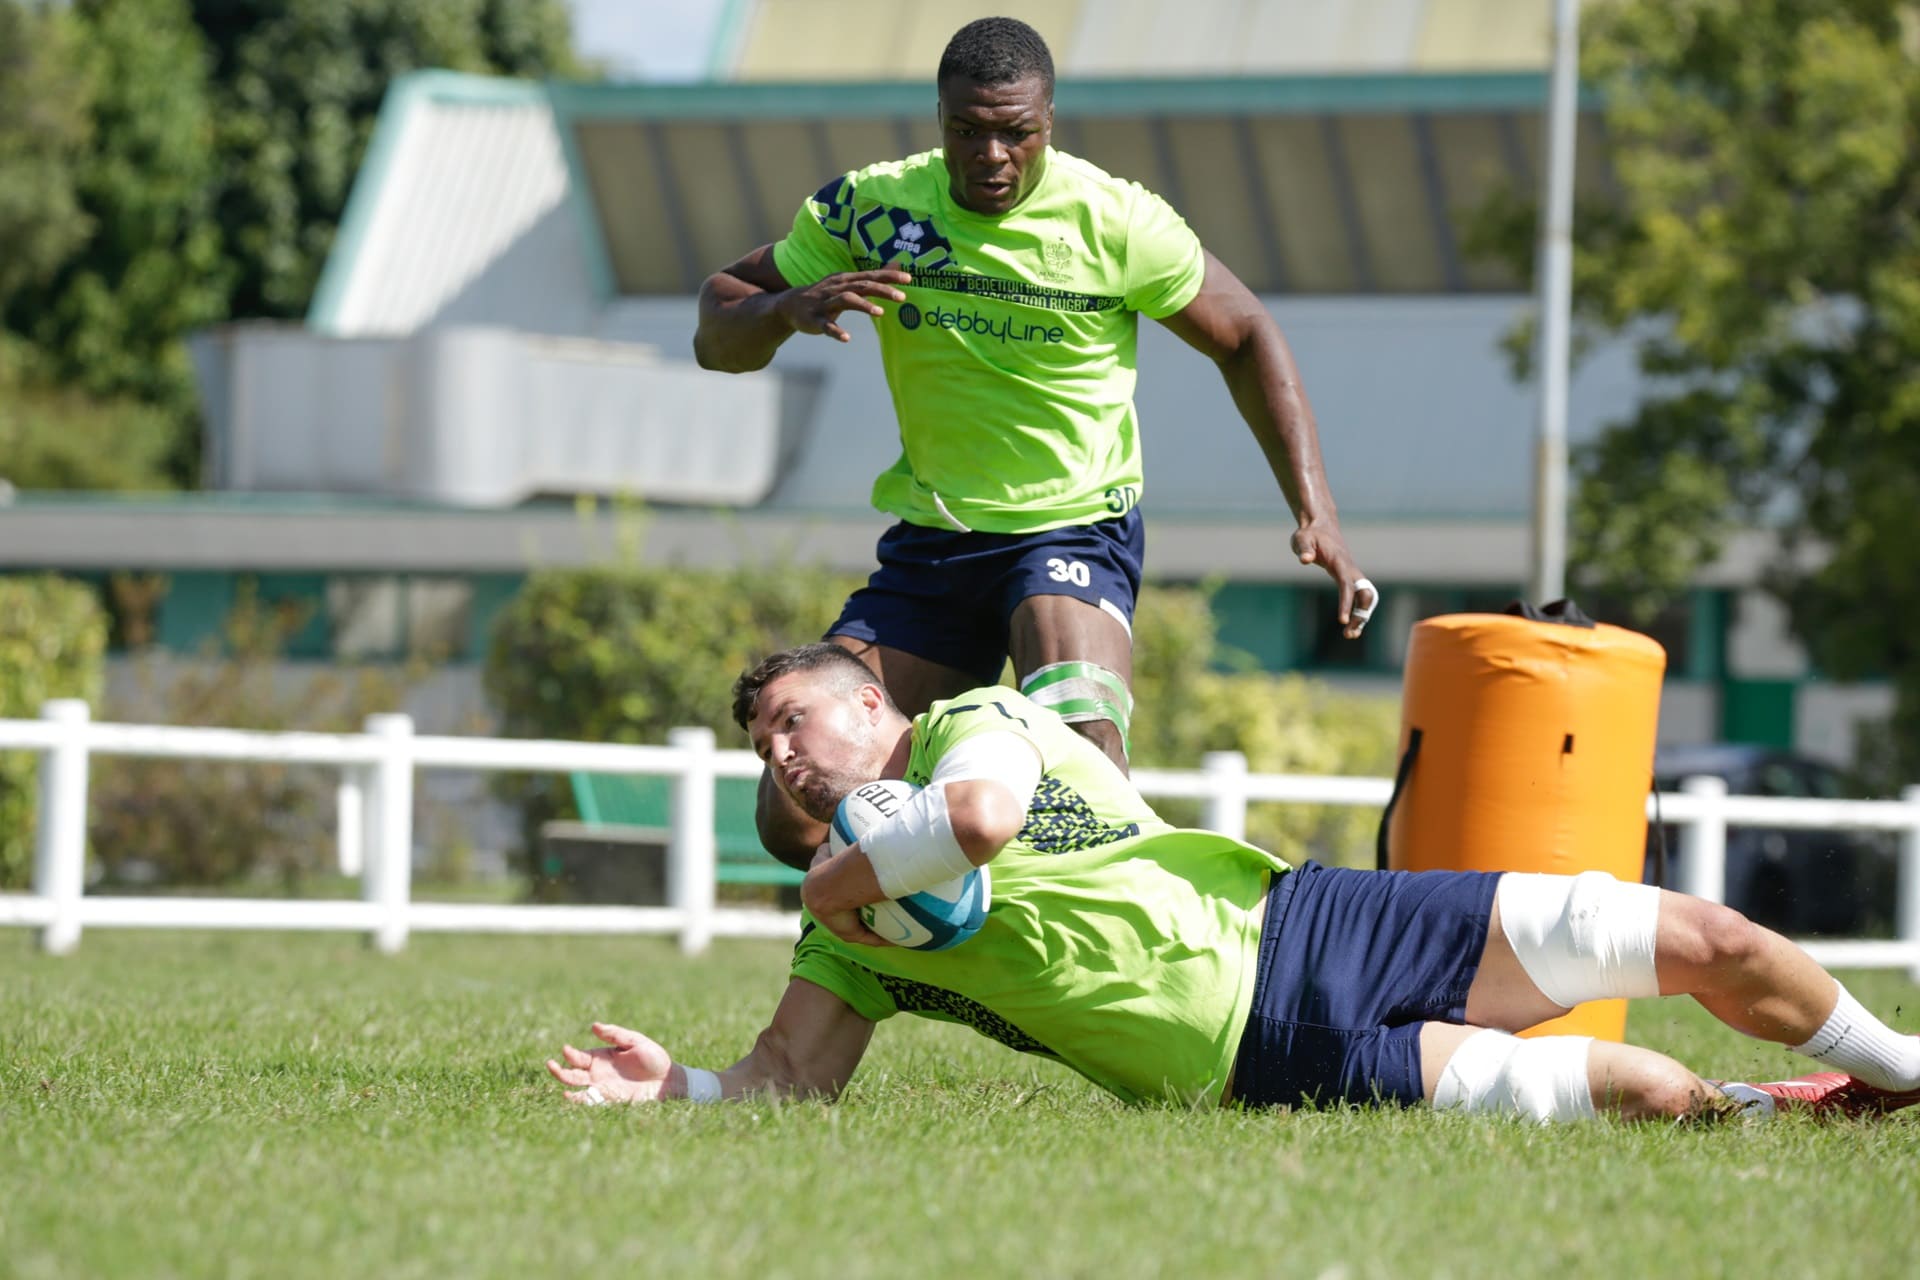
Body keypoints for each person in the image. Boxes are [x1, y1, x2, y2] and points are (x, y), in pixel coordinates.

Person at [545, 643, 1920, 1123]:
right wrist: (681, 1090)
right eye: (764, 743)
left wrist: (833, 879)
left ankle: (1900, 1068)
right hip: (1256, 1055)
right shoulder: (855, 932)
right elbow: (795, 1074)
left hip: (1313, 915)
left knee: (1703, 933)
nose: (782, 752)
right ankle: (1785, 1114)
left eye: (799, 719)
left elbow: (973, 819)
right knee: (1647, 1096)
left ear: (870, 701)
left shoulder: (977, 720)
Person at [691, 16, 1376, 863]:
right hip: (934, 540)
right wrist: (780, 312)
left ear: (1048, 121)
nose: (990, 156)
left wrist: (1319, 513)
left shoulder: (1117, 220)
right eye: (967, 131)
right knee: (792, 814)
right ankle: (927, 946)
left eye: (1015, 133)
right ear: (939, 118)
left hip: (1071, 527)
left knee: (1080, 754)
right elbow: (716, 326)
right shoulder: (873, 209)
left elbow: (1245, 333)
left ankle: (1128, 953)